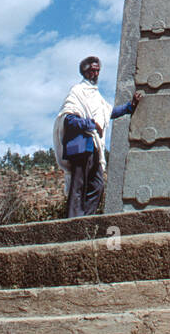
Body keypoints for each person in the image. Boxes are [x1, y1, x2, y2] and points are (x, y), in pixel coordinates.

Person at [53, 56, 143, 218]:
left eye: (97, 70)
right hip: (79, 145)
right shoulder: (77, 91)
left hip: (93, 145)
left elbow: (107, 112)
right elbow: (68, 119)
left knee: (97, 185)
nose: (95, 74)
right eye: (92, 70)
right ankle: (74, 219)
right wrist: (90, 124)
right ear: (85, 72)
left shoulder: (95, 95)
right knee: (79, 183)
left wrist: (130, 106)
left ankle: (86, 218)